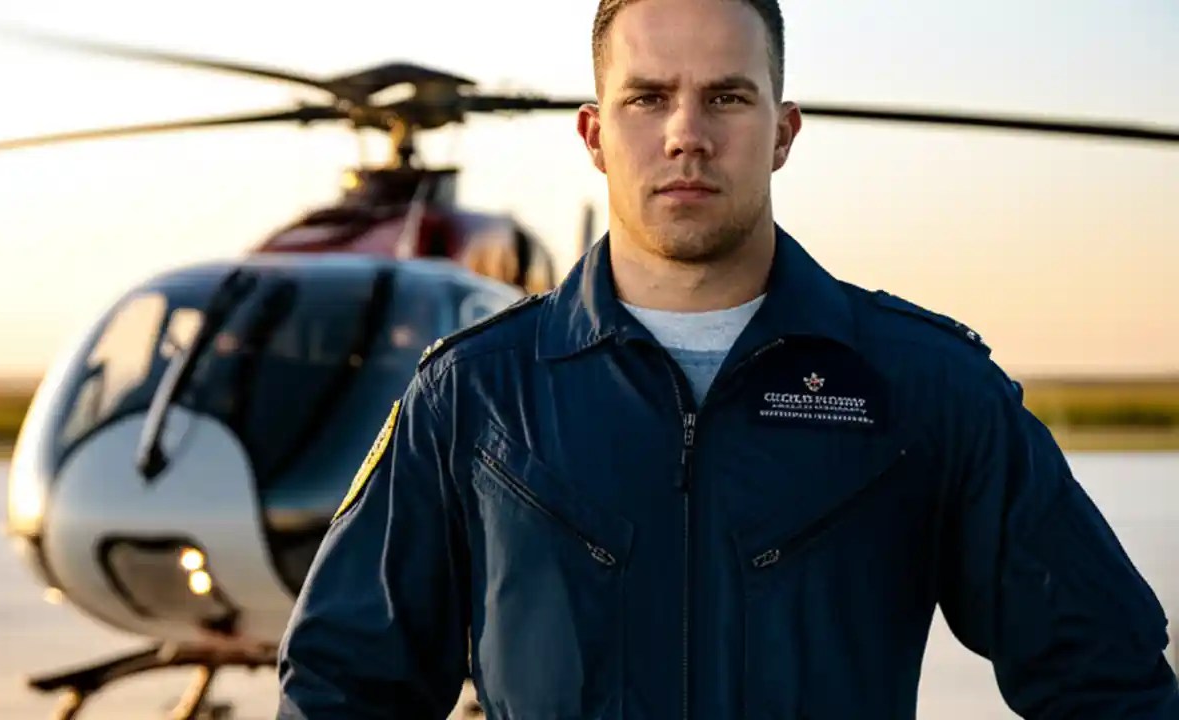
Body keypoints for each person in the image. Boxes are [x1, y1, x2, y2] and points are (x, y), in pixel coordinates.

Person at [276, 0, 1179, 717]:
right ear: (594, 134)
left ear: (784, 131)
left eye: (727, 97)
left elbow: (1109, 677)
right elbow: (345, 690)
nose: (686, 135)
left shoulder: (927, 389)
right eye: (648, 97)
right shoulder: (474, 394)